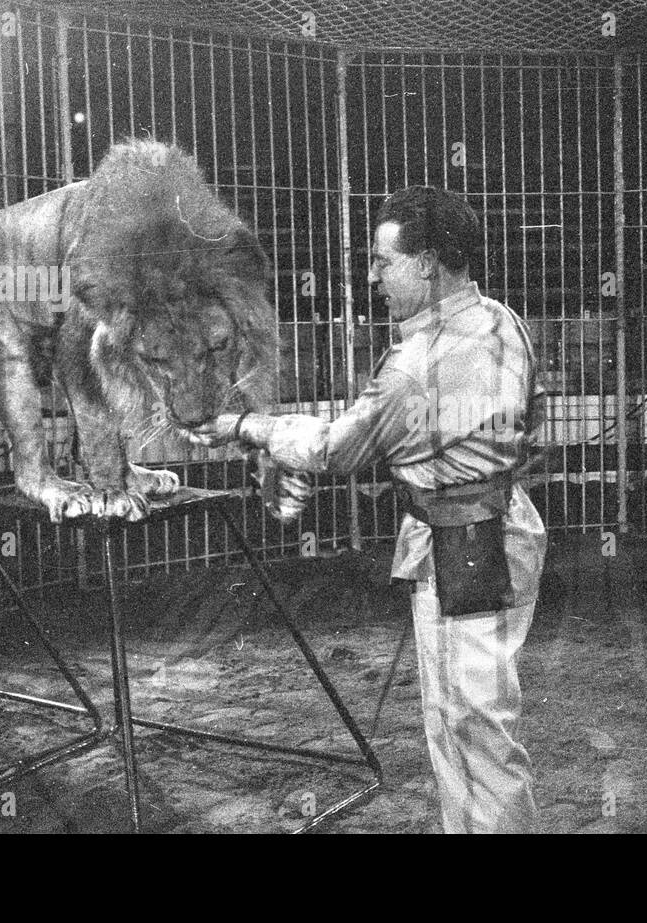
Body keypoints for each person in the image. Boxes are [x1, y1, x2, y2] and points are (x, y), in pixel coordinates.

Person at [199, 186, 547, 833]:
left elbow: (337, 448)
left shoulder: (417, 361)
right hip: (507, 526)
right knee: (474, 724)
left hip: (463, 547)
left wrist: (248, 426)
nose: (373, 275)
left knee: (471, 734)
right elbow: (535, 418)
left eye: (383, 261)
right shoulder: (504, 321)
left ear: (426, 263)